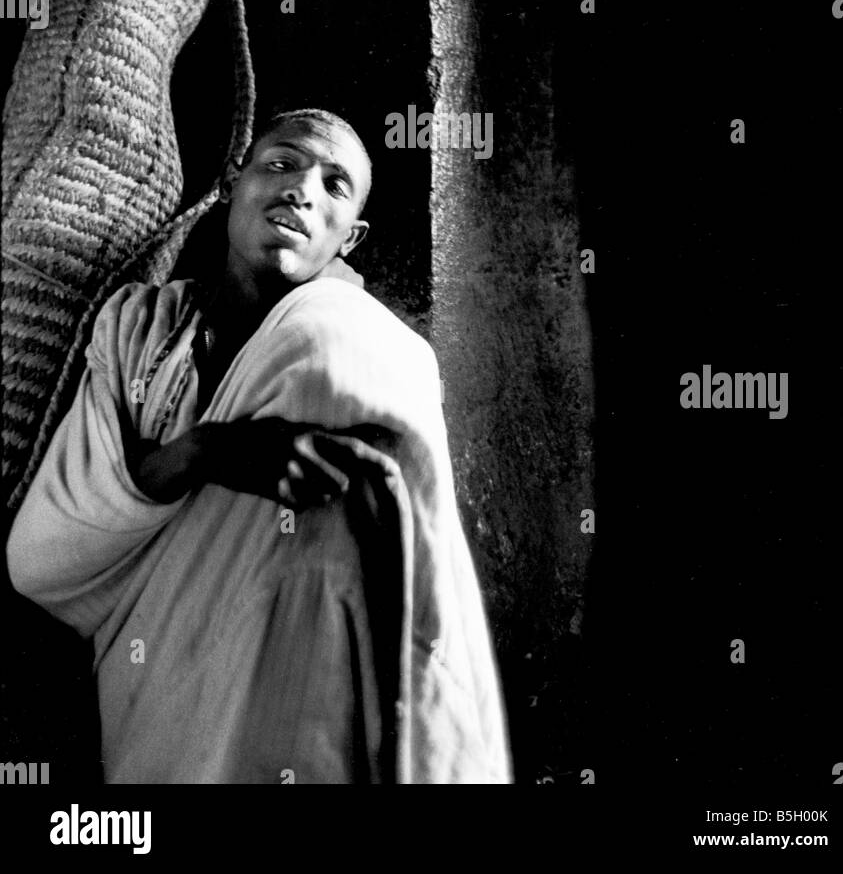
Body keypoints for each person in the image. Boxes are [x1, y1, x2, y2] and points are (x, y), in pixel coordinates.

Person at [6, 108, 512, 784]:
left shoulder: (365, 344)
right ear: (234, 185)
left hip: (311, 700)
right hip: (157, 694)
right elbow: (46, 557)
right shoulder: (137, 328)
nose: (302, 188)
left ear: (350, 238)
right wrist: (211, 451)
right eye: (280, 163)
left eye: (335, 185)